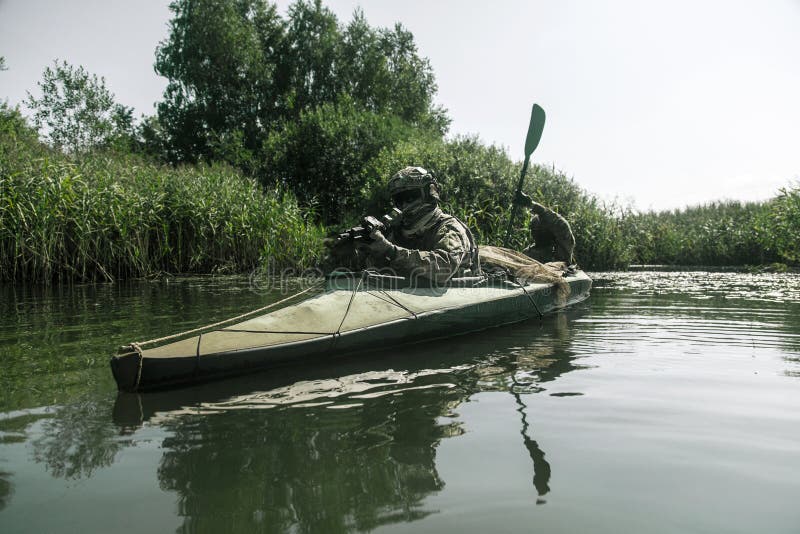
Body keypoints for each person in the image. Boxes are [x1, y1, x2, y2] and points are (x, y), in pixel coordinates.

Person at [366, 166, 480, 284]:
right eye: (399, 199)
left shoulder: (449, 228)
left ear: (429, 193)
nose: (404, 204)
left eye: (410, 197)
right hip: (405, 295)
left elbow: (443, 269)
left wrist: (392, 251)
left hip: (455, 297)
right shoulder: (397, 231)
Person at [514, 191, 575, 264]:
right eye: (534, 230)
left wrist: (531, 204)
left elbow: (560, 224)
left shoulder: (562, 248)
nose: (537, 233)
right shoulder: (528, 253)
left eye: (541, 230)